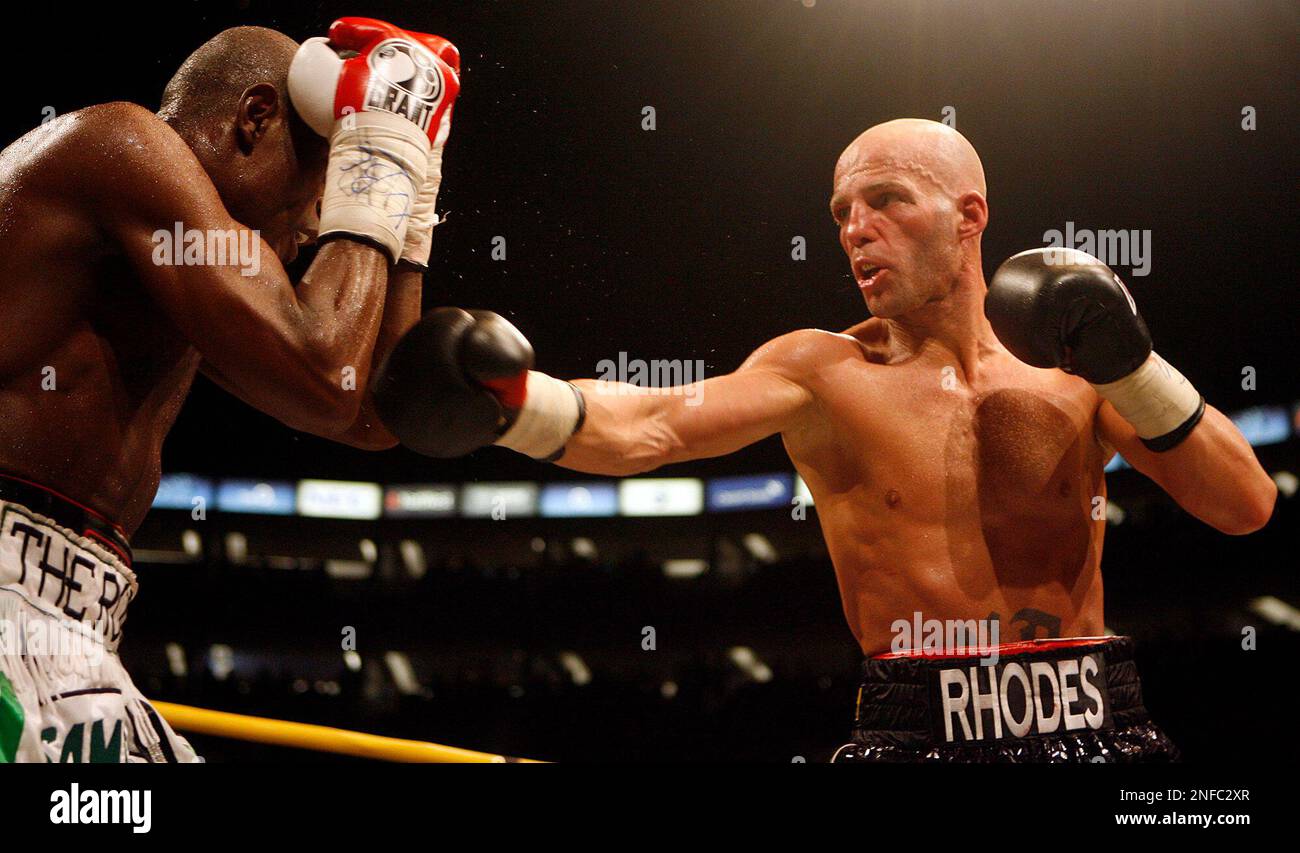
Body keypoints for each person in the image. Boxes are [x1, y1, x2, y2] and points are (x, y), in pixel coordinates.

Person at [373, 118, 1277, 762]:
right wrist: (515, 401)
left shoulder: (1078, 368)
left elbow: (1245, 505)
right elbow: (649, 425)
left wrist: (1136, 365)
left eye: (886, 200)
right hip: (916, 728)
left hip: (1100, 722)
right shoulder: (821, 372)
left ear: (970, 217)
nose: (855, 228)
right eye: (842, 210)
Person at [0, 17, 460, 762]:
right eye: (321, 191)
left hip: (70, 634)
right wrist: (372, 162)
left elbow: (374, 410)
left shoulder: (178, 278)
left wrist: (407, 199)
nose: (318, 230)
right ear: (254, 119)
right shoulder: (122, 146)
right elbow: (324, 371)